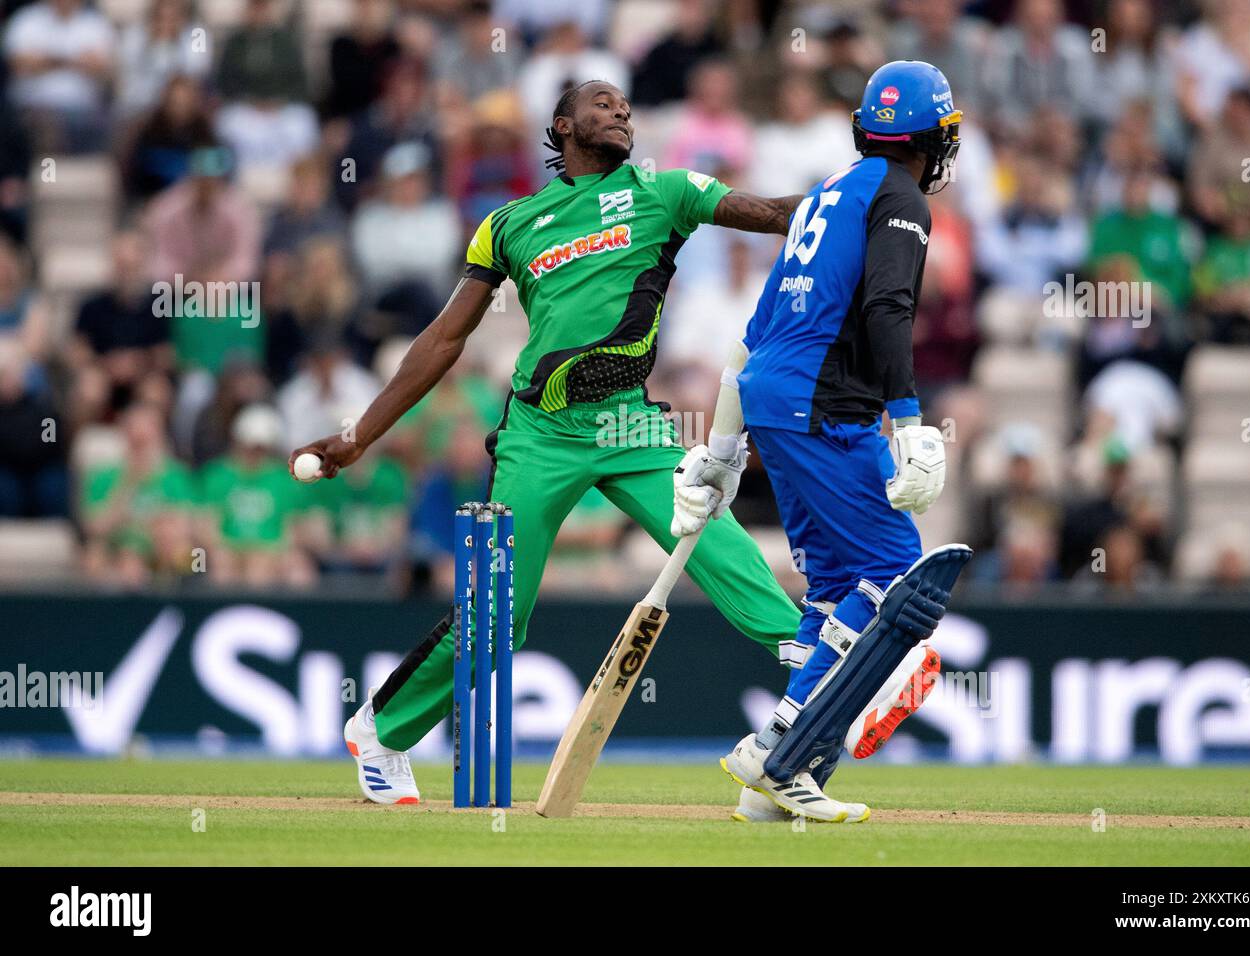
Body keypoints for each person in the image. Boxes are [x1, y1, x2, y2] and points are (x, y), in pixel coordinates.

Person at [289, 80, 809, 805]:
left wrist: (863, 191)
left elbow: (781, 215)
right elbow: (444, 339)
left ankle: (806, 655)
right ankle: (380, 731)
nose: (622, 110)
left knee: (707, 529)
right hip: (539, 432)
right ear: (563, 125)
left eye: (626, 105)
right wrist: (359, 435)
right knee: (501, 621)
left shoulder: (668, 190)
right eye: (603, 103)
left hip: (629, 422)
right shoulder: (509, 223)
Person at [675, 61, 967, 822]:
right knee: (899, 575)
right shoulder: (898, 196)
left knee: (835, 589)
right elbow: (889, 308)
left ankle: (774, 786)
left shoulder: (824, 195)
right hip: (823, 404)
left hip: (776, 396)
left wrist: (722, 447)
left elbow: (753, 335)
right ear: (933, 139)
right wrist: (909, 420)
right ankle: (781, 747)